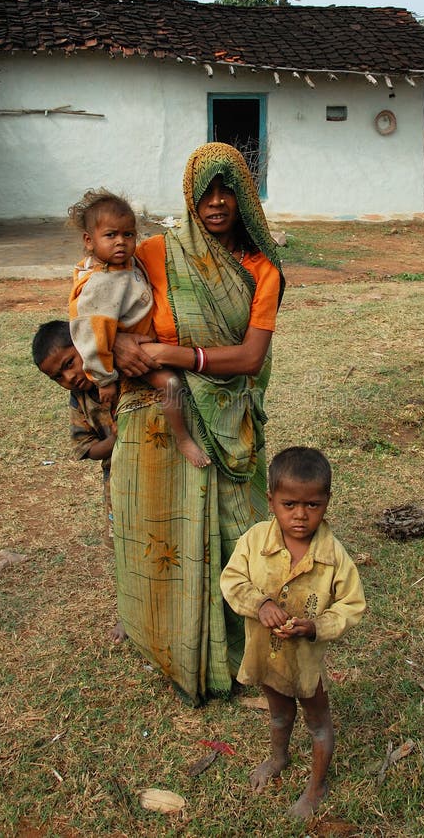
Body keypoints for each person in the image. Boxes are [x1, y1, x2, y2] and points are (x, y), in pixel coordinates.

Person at [109, 142, 285, 706]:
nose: (216, 202)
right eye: (204, 190)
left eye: (227, 189)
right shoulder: (156, 252)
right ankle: (166, 645)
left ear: (244, 197)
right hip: (157, 420)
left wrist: (173, 355)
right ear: (189, 195)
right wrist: (120, 344)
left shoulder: (261, 271)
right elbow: (95, 294)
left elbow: (250, 358)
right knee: (163, 534)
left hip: (228, 422)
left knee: (240, 538)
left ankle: (241, 664)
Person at [220, 447, 366, 820]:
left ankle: (317, 786)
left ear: (327, 502)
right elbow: (232, 580)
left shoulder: (334, 557)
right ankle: (278, 757)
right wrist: (261, 604)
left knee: (317, 721)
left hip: (306, 664)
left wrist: (315, 626)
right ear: (271, 501)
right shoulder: (255, 542)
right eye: (289, 504)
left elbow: (351, 605)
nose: (300, 515)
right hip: (265, 655)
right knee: (278, 713)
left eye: (313, 505)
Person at [68, 189, 210, 467]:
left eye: (129, 234)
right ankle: (183, 439)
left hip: (146, 347)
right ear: (89, 241)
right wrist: (104, 378)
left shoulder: (124, 265)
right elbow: (91, 334)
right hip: (135, 357)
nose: (121, 242)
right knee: (170, 384)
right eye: (110, 235)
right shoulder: (101, 284)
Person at [32, 320, 127, 643]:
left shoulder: (120, 371)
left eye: (69, 364)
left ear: (85, 345)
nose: (68, 377)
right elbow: (88, 449)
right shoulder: (79, 401)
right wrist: (115, 438)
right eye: (57, 377)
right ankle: (129, 613)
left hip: (154, 473)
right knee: (124, 551)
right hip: (117, 484)